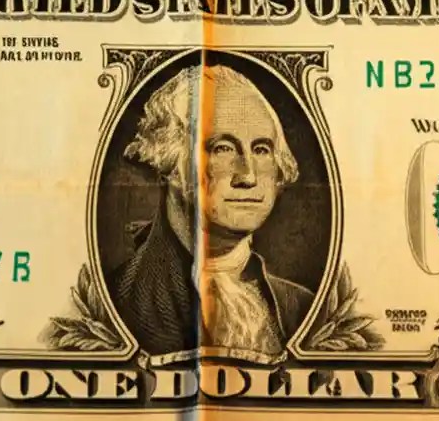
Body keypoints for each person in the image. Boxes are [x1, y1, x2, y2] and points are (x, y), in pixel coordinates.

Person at [107, 63, 314, 360]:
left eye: (261, 149)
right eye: (223, 148)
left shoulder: (301, 306)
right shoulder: (116, 303)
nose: (249, 176)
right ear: (170, 161)